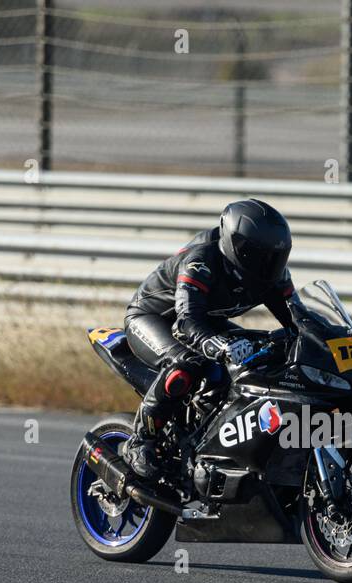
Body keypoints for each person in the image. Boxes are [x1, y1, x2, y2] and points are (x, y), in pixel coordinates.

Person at [119, 198, 302, 479]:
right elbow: (186, 322)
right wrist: (222, 345)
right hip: (154, 318)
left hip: (205, 321)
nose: (268, 265)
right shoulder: (201, 260)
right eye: (258, 255)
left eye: (275, 257)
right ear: (236, 246)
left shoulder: (273, 276)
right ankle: (140, 441)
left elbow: (299, 320)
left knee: (265, 352)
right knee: (186, 363)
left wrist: (325, 339)